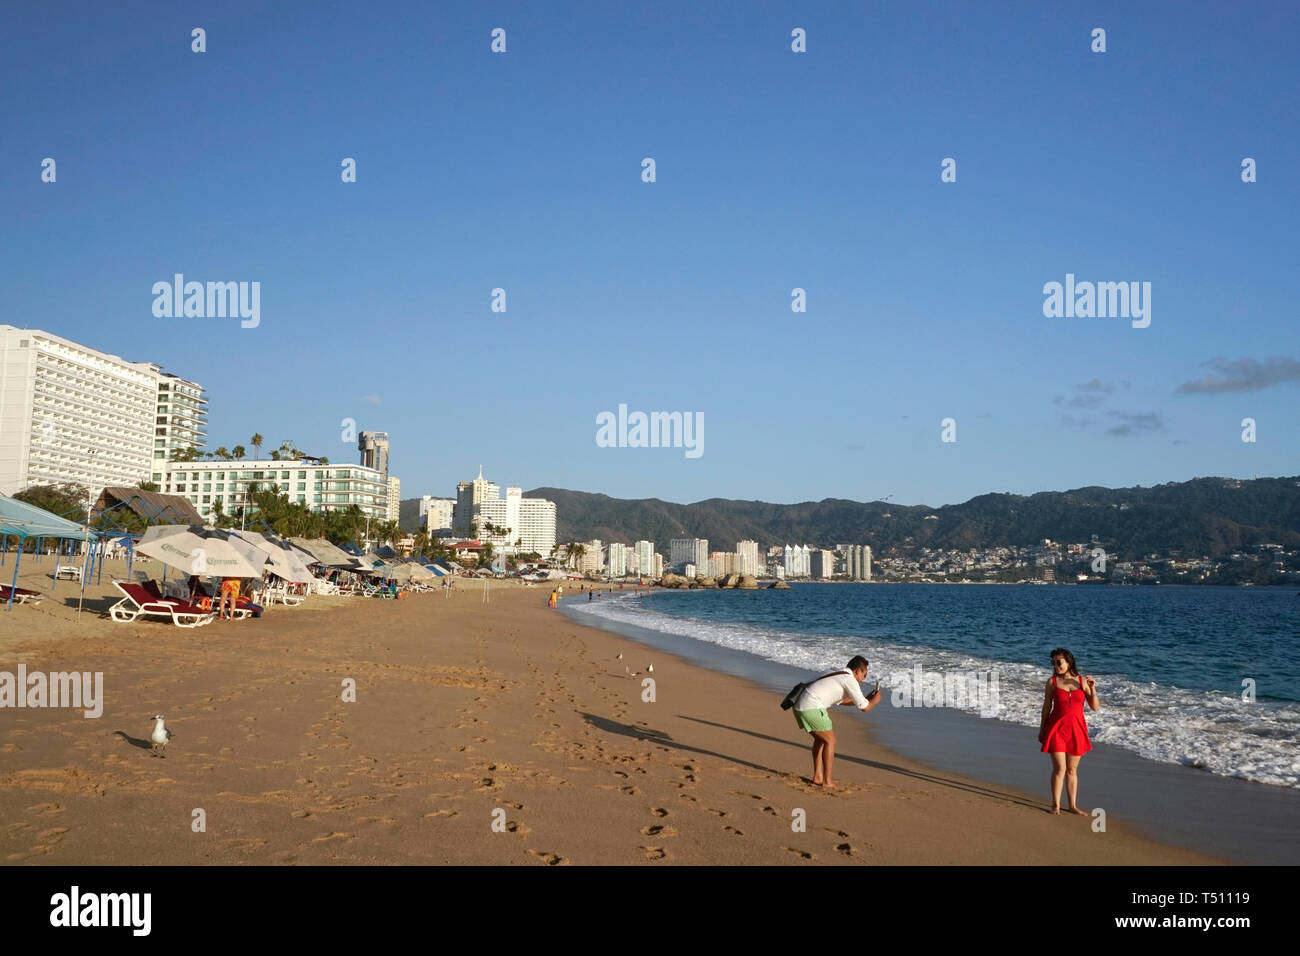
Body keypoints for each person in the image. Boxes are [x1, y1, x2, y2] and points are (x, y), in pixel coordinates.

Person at [792, 655, 881, 789]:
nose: (863, 679)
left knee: (821, 740)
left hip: (800, 705)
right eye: (864, 675)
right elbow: (864, 707)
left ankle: (817, 776)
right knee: (830, 741)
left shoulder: (834, 671)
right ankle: (827, 781)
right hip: (812, 707)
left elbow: (843, 701)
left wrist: (867, 698)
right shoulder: (849, 679)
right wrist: (875, 700)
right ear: (858, 671)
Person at [1038, 647, 1100, 815]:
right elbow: (1046, 708)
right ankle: (1055, 805)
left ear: (1068, 662)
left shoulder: (1082, 681)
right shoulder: (1052, 682)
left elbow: (1095, 707)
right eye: (1053, 663)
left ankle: (1072, 805)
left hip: (1076, 730)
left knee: (1072, 770)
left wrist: (1092, 688)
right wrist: (1042, 729)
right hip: (1056, 729)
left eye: (1059, 662)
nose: (1056, 666)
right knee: (1060, 768)